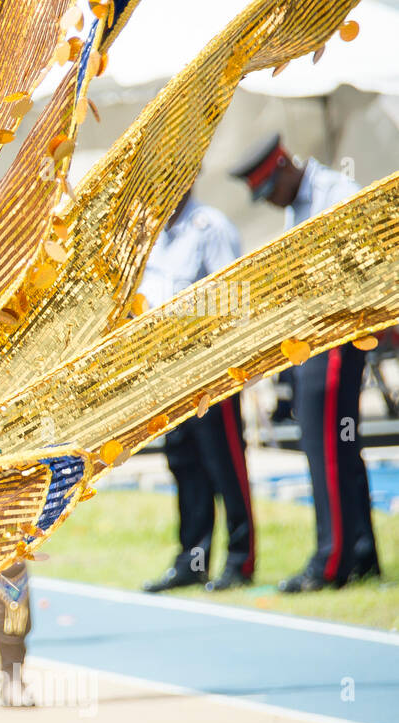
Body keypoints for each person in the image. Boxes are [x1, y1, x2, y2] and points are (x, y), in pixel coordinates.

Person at [230, 134, 380, 591]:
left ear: (283, 167)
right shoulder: (297, 207)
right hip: (309, 343)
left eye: (269, 190)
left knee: (325, 452)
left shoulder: (336, 193)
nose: (271, 203)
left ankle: (329, 563)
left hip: (335, 339)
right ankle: (360, 553)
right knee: (341, 450)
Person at [138, 187, 255, 592]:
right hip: (170, 372)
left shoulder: (210, 226)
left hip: (210, 369)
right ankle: (193, 559)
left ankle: (241, 560)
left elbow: (235, 296)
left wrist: (183, 321)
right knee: (184, 463)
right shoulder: (154, 233)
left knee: (225, 466)